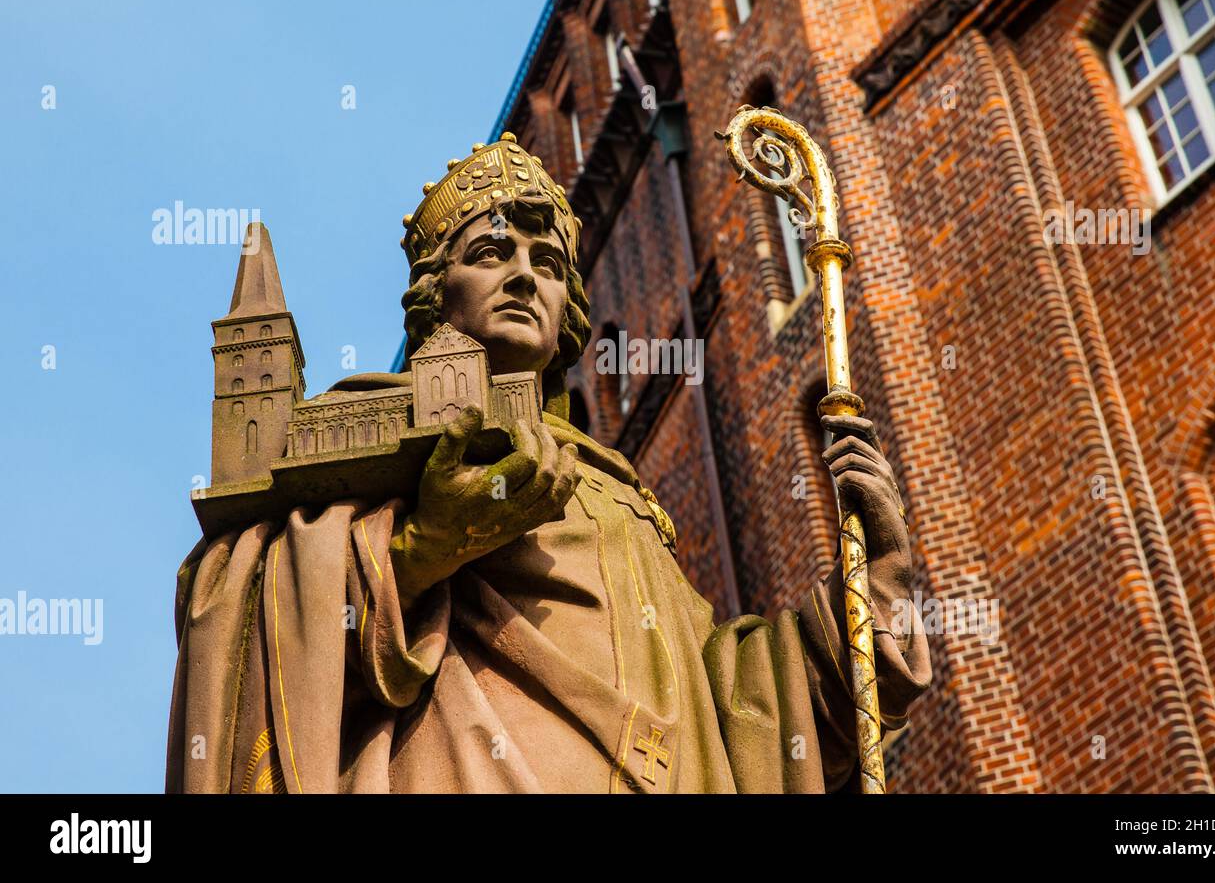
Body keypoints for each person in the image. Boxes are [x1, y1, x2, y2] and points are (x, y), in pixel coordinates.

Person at [166, 134, 931, 793]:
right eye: (491, 253)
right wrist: (426, 546)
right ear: (436, 298)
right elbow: (239, 599)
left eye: (548, 261)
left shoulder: (617, 497)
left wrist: (865, 602)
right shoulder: (372, 438)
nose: (527, 275)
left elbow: (727, 711)